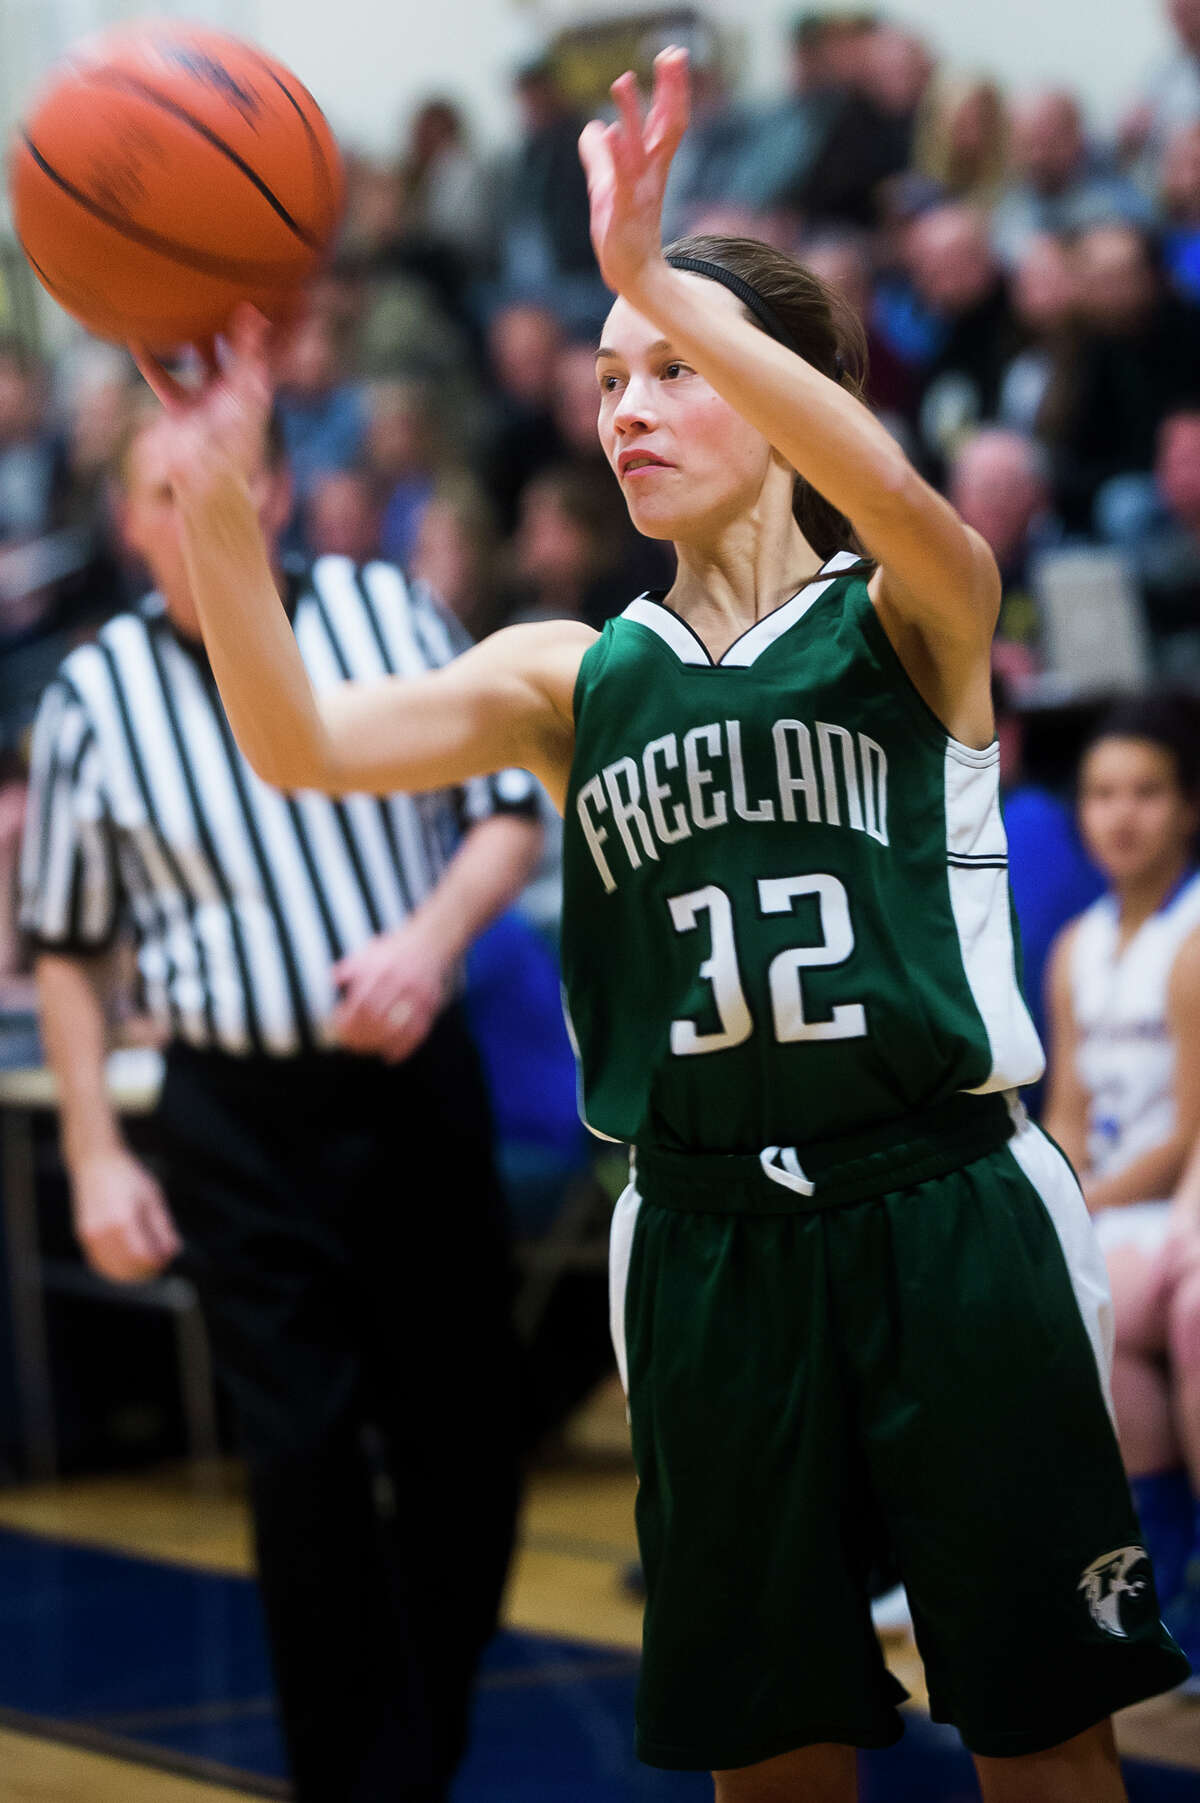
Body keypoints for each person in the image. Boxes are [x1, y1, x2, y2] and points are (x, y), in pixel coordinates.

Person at [131, 48, 1187, 1803]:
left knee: (1045, 1738)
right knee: (761, 1755)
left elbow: (915, 510)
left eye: (673, 372)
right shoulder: (571, 671)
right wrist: (220, 514)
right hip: (702, 1240)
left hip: (943, 1210)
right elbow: (296, 738)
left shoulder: (909, 616)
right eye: (609, 376)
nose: (624, 405)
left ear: (787, 399)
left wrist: (648, 272)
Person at [17, 410, 543, 1803]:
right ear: (129, 521)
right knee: (300, 1460)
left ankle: (418, 1748)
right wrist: (89, 1149)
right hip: (232, 1113)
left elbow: (504, 809)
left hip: (413, 1078)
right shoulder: (90, 694)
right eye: (165, 491)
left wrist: (429, 941)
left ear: (281, 491)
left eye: (222, 482)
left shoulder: (391, 609)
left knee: (466, 1447)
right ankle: (353, 1780)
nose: (197, 511)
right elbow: (66, 942)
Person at [1043, 697, 1200, 1679]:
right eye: (1103, 794)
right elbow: (1066, 1102)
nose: (1123, 814)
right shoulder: (1075, 948)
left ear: (1187, 808)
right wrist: (1056, 1190)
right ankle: (1145, 1599)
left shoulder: (1192, 937)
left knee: (1182, 1314)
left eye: (1147, 792)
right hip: (1120, 1209)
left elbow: (1190, 1128)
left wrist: (1088, 1203)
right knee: (1067, 1297)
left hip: (1180, 1198)